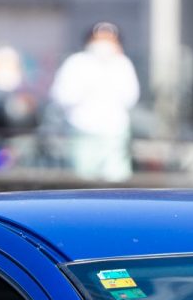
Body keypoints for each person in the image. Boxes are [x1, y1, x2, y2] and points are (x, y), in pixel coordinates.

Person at [49, 21, 141, 181]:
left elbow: (130, 98)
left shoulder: (122, 63)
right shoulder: (76, 62)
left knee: (116, 179)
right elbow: (61, 96)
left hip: (114, 132)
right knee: (83, 180)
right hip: (82, 130)